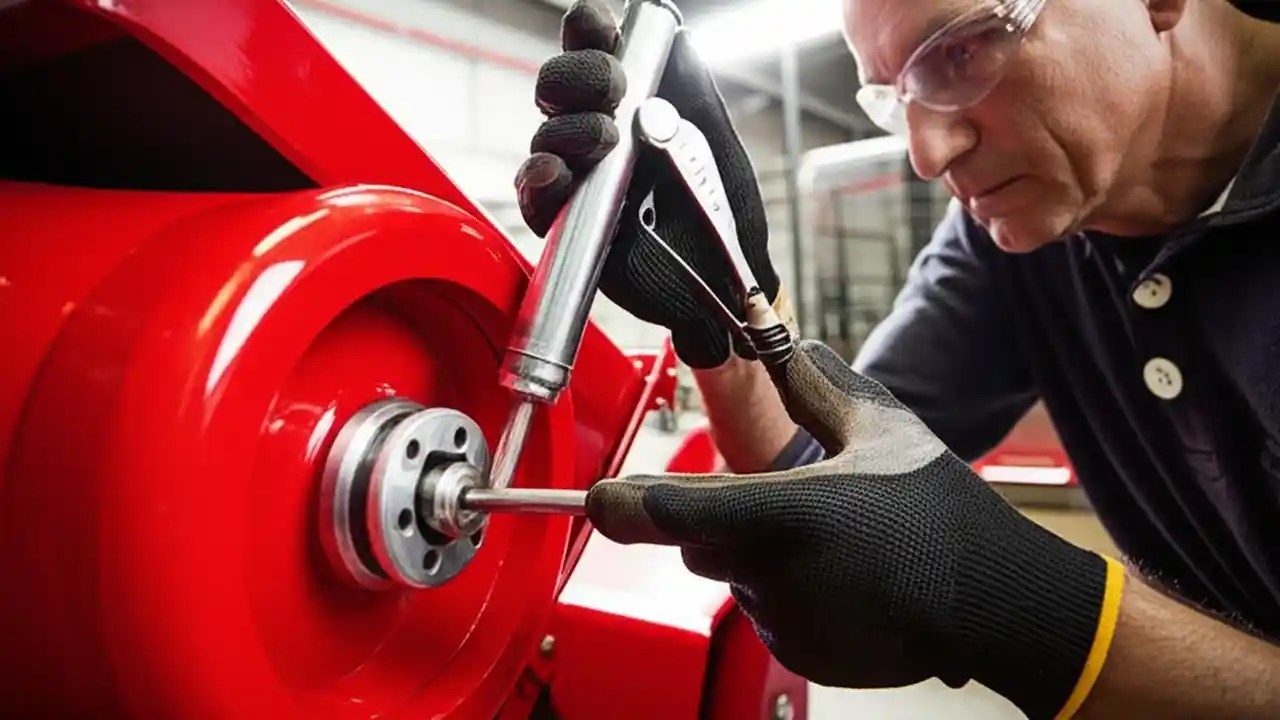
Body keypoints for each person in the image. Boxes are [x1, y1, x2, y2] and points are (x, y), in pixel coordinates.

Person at [514, 0, 1280, 716]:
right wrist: (721, 302)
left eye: (962, 51)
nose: (924, 152)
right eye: (894, 97)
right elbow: (818, 465)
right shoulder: (1017, 236)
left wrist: (1030, 608)